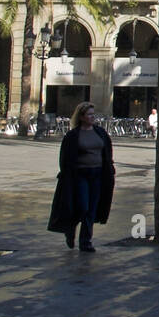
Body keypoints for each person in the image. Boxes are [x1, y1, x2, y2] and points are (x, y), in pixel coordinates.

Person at [48, 102, 115, 252]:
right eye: (90, 114)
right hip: (80, 175)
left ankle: (86, 241)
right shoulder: (73, 136)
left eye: (93, 114)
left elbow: (107, 153)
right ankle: (70, 229)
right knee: (83, 207)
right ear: (82, 117)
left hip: (97, 174)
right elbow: (65, 158)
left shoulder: (100, 133)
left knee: (92, 209)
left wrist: (110, 168)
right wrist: (66, 174)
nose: (93, 117)